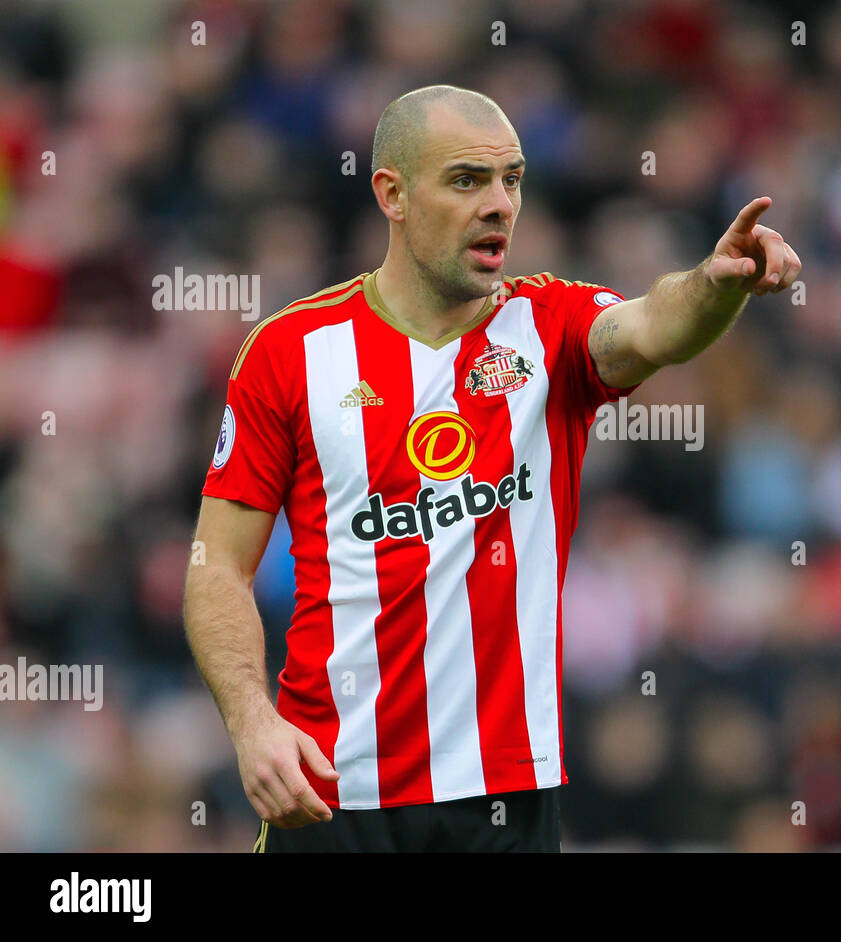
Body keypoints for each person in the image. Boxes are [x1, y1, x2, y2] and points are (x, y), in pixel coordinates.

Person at [182, 84, 802, 852]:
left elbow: (655, 324)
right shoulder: (291, 352)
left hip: (505, 799)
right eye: (467, 180)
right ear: (393, 193)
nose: (501, 203)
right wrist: (251, 723)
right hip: (331, 790)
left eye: (511, 179)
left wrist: (713, 284)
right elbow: (216, 567)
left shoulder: (552, 327)